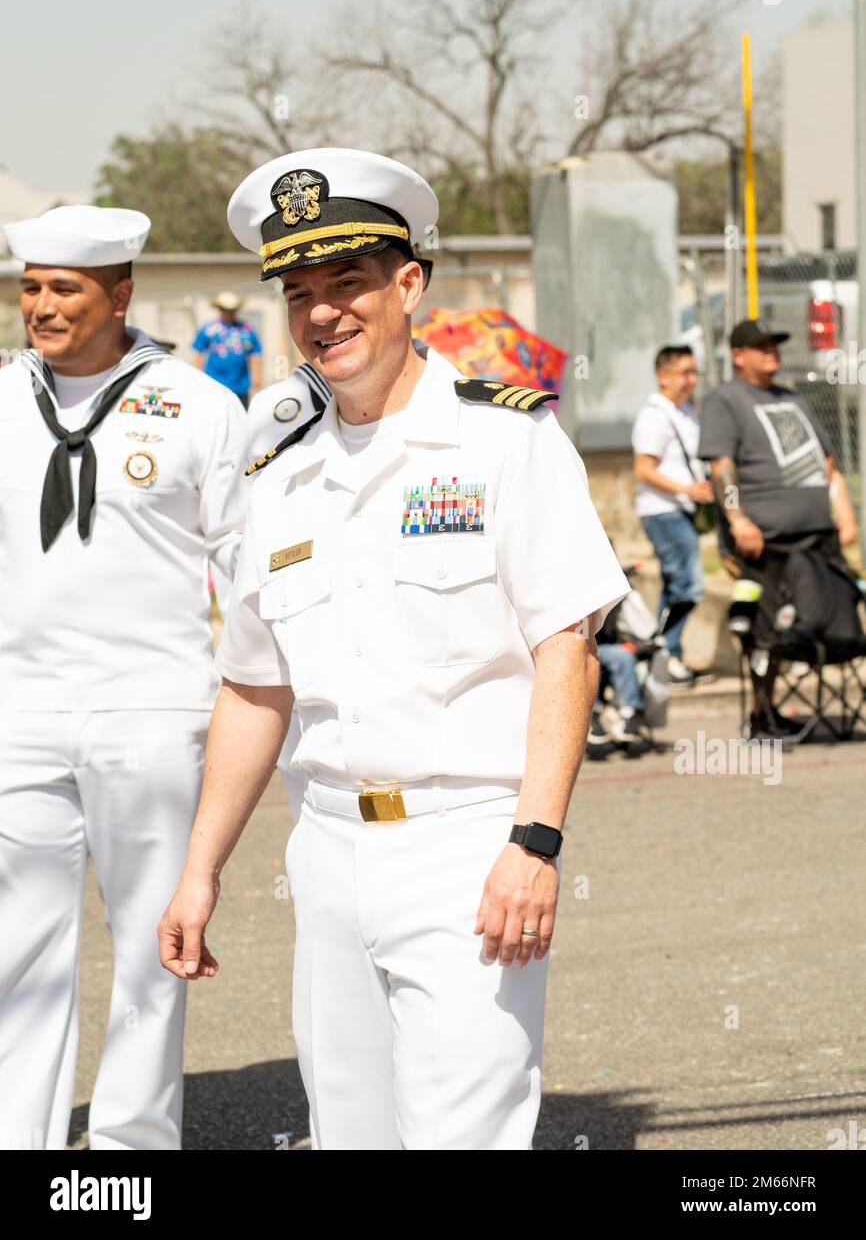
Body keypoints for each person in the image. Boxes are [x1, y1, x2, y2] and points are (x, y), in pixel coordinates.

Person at [159, 147, 629, 1151]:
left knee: (461, 1134)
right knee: (348, 1135)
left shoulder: (503, 441)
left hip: (465, 844)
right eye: (300, 294)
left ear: (408, 282)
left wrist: (534, 843)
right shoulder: (276, 472)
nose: (323, 313)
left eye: (348, 283)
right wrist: (201, 870)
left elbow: (564, 647)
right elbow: (252, 689)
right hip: (325, 848)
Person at [0, 205, 247, 1151]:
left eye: (65, 288)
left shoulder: (196, 403)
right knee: (19, 952)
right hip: (21, 711)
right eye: (30, 287)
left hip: (153, 712)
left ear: (122, 294)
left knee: (154, 949)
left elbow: (248, 566)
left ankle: (130, 1149)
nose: (42, 306)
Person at [698, 319, 844, 740]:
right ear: (738, 354)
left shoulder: (791, 397)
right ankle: (762, 714)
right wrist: (738, 518)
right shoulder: (725, 400)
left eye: (775, 346)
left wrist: (842, 511)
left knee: (816, 619)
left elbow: (826, 458)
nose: (772, 353)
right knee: (766, 630)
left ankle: (780, 710)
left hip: (815, 534)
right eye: (761, 347)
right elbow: (721, 466)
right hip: (766, 539)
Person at [631, 344, 712, 685]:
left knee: (677, 583)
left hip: (680, 510)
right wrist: (686, 490)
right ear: (663, 376)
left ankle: (663, 655)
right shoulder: (654, 416)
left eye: (694, 372)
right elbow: (643, 469)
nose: (691, 380)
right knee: (689, 586)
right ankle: (666, 650)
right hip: (663, 512)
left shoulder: (684, 411)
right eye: (684, 373)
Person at [192, 290, 262, 408]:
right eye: (227, 310)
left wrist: (257, 377)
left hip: (240, 385)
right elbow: (198, 351)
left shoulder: (246, 329)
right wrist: (199, 377)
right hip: (215, 385)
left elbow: (255, 353)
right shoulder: (210, 328)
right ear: (220, 310)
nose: (230, 313)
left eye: (233, 310)